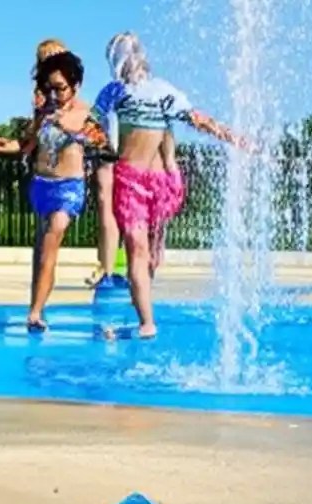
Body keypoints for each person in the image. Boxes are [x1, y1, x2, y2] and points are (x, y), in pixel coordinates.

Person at [93, 32, 243, 338]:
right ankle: (146, 322)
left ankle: (142, 315)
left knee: (149, 255)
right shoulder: (116, 92)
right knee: (138, 250)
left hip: (159, 183)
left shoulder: (158, 91)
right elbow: (89, 127)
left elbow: (196, 119)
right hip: (138, 182)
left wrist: (232, 137)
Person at [0, 50, 113, 332]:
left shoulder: (85, 114)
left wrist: (76, 131)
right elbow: (26, 145)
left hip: (69, 188)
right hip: (41, 186)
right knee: (46, 253)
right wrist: (1, 146)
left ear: (76, 86)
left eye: (61, 88)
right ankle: (38, 306)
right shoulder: (44, 113)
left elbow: (104, 145)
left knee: (51, 241)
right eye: (50, 88)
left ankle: (35, 312)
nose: (55, 94)